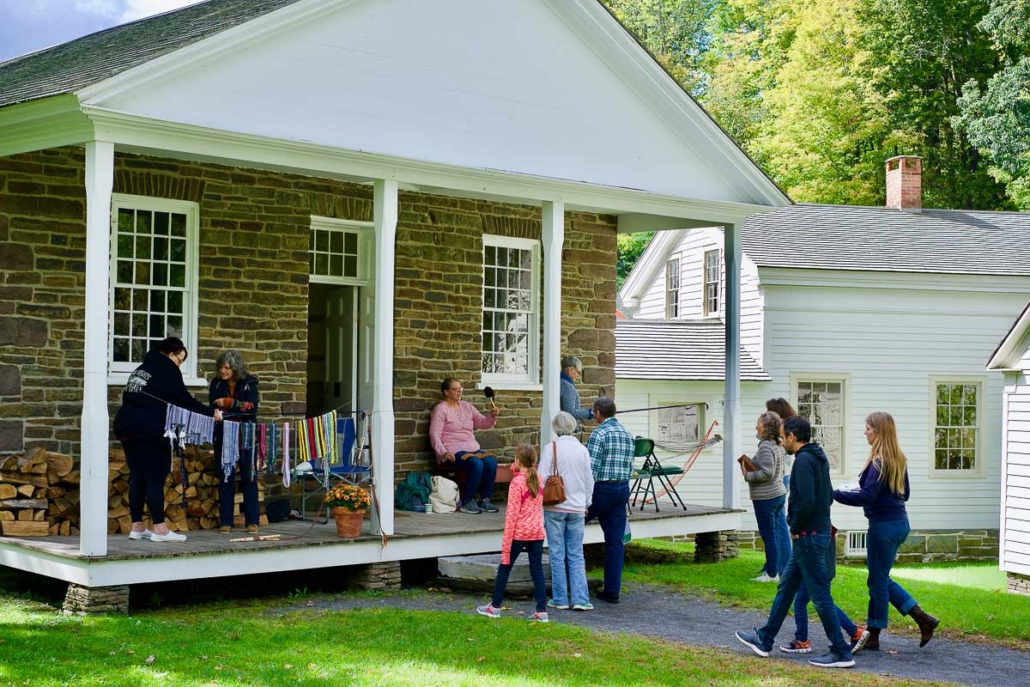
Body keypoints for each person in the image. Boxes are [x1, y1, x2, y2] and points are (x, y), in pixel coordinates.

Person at [735, 415, 856, 669]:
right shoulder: (818, 458)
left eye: (783, 435)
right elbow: (828, 497)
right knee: (786, 588)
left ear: (792, 436)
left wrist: (795, 527)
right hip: (812, 535)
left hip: (808, 537)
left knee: (820, 595)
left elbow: (806, 501)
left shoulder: (803, 461)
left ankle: (841, 651)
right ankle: (765, 639)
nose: (782, 440)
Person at [834, 411, 939, 651]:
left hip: (883, 528)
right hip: (899, 523)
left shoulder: (879, 461)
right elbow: (906, 494)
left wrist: (835, 494)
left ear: (880, 431)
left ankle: (874, 634)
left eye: (868, 428)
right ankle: (922, 619)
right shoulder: (898, 459)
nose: (865, 432)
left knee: (878, 581)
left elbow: (868, 495)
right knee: (879, 578)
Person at [113, 337, 222, 543]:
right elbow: (184, 399)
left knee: (138, 477)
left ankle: (137, 526)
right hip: (149, 429)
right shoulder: (167, 369)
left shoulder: (142, 368)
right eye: (180, 360)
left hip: (125, 427)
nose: (180, 365)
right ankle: (160, 530)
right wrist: (210, 413)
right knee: (155, 477)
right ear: (171, 355)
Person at [476, 443, 548, 622]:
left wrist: (506, 543)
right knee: (537, 570)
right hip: (537, 531)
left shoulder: (516, 483)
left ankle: (495, 606)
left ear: (517, 460)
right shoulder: (538, 478)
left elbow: (512, 514)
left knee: (505, 567)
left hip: (519, 532)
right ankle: (541, 611)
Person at [537, 411, 595, 611]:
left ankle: (560, 598)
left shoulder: (550, 448)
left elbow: (541, 478)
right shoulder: (582, 450)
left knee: (557, 552)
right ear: (573, 426)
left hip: (555, 505)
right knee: (576, 553)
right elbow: (589, 481)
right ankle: (581, 599)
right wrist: (586, 503)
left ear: (555, 427)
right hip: (578, 507)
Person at [781, 525, 869, 654]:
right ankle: (854, 632)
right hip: (824, 569)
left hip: (817, 569)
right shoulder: (824, 525)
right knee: (820, 602)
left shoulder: (814, 526)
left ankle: (802, 641)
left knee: (806, 602)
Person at [585, 396, 634, 604]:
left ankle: (568, 580)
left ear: (597, 413)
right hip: (622, 488)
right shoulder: (627, 434)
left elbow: (590, 470)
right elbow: (630, 466)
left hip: (601, 489)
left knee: (571, 525)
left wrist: (584, 499)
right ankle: (612, 591)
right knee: (615, 543)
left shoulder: (599, 434)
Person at [429, 377, 501, 514]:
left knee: (491, 462)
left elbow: (482, 423)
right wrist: (443, 452)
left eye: (460, 389)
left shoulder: (467, 406)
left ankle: (485, 499)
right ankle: (467, 501)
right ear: (446, 392)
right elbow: (434, 435)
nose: (459, 392)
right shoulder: (440, 409)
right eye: (455, 389)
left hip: (473, 448)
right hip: (453, 451)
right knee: (476, 463)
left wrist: (491, 416)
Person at [209, 350, 260, 535]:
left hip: (245, 436)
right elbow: (212, 408)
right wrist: (232, 407)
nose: (222, 371)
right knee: (226, 479)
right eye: (221, 367)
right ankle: (226, 522)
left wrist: (228, 402)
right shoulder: (215, 383)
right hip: (224, 437)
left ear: (235, 369)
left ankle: (252, 521)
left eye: (227, 368)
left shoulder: (249, 383)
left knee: (249, 478)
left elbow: (251, 408)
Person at [741, 411, 790, 582]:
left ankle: (771, 574)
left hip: (766, 497)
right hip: (778, 493)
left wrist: (747, 475)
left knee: (769, 535)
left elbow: (766, 473)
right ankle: (775, 570)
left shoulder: (765, 447)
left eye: (759, 423)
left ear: (766, 427)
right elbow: (775, 469)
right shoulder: (777, 444)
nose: (756, 426)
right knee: (775, 534)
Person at [766, 398, 797, 490]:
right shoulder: (790, 427)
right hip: (784, 473)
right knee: (780, 503)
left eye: (769, 411)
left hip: (778, 475)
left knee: (775, 503)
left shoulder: (782, 429)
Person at [560, 356, 593, 431]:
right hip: (565, 430)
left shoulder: (562, 382)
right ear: (570, 371)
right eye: (578, 372)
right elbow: (570, 412)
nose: (578, 375)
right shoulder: (567, 386)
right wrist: (591, 413)